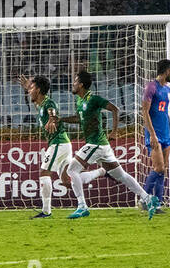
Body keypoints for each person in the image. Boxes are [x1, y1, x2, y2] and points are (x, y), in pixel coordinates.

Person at [60, 69, 153, 219]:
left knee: (71, 170)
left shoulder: (94, 99)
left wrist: (114, 131)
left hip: (96, 143)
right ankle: (148, 198)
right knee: (121, 175)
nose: (73, 83)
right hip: (102, 146)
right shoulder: (80, 101)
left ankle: (82, 206)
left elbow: (114, 109)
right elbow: (79, 118)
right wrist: (61, 120)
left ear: (81, 85)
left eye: (75, 81)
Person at [18, 73, 70, 218]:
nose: (29, 91)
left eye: (32, 88)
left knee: (44, 173)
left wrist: (52, 120)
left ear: (39, 90)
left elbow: (52, 111)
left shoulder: (48, 103)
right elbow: (39, 104)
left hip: (58, 143)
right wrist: (29, 86)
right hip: (63, 144)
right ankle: (100, 173)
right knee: (67, 181)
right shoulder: (40, 104)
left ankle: (46, 211)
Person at [141, 59, 170, 213]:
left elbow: (164, 112)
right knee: (159, 167)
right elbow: (145, 111)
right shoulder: (151, 86)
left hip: (165, 132)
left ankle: (158, 204)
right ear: (167, 70)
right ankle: (144, 199)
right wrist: (152, 135)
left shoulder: (167, 90)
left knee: (163, 170)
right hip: (154, 134)